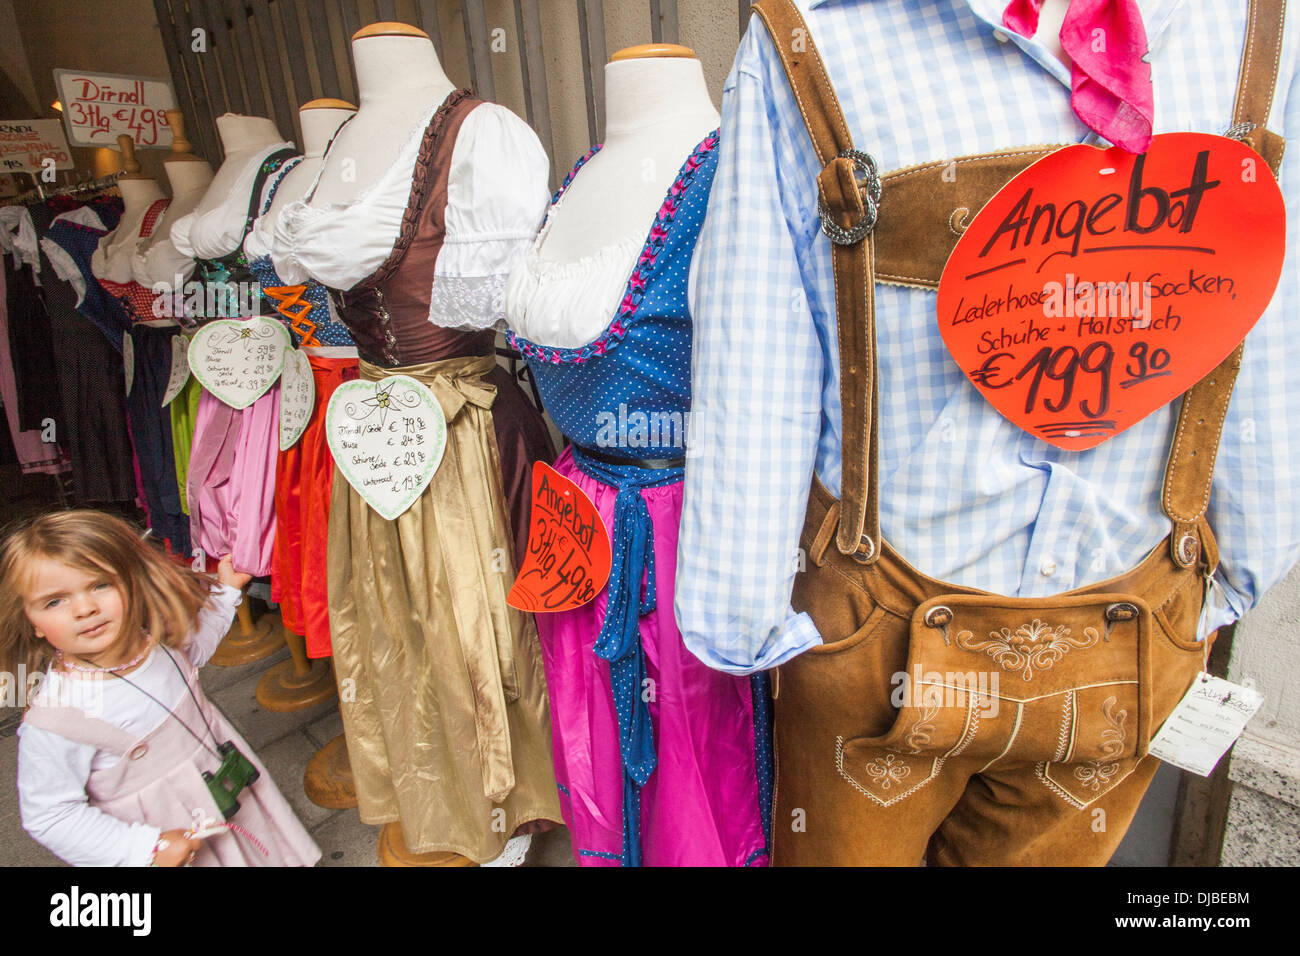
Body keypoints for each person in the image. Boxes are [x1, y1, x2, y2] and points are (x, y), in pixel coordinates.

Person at [0, 510, 320, 867]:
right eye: (54, 601)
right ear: (32, 622)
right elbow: (51, 816)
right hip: (167, 835)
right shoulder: (56, 718)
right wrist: (143, 847)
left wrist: (228, 590)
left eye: (100, 585)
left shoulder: (155, 641)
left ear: (133, 581)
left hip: (226, 790)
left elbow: (196, 649)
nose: (85, 608)